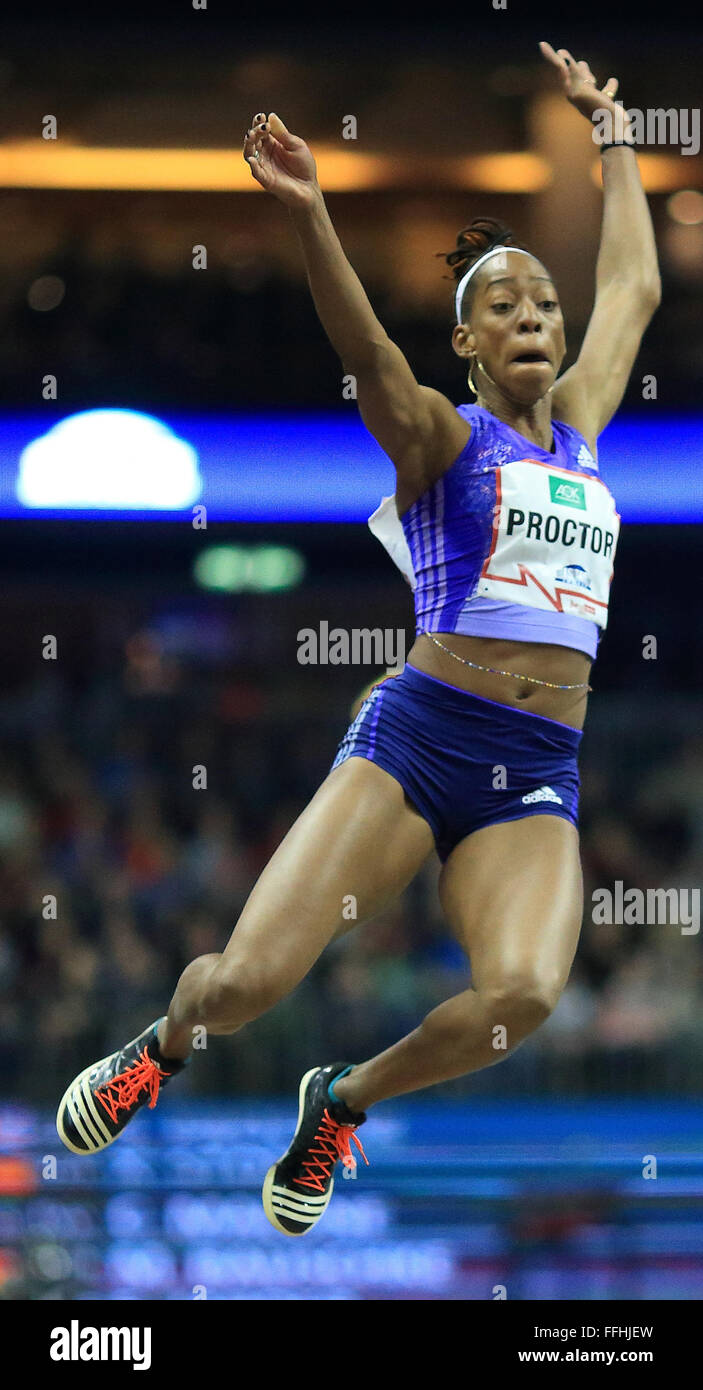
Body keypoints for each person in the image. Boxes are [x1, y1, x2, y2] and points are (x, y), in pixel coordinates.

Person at [56, 42, 660, 1238]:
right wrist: (313, 215)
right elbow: (368, 357)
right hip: (419, 740)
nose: (534, 314)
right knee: (241, 987)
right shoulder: (443, 439)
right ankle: (161, 1046)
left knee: (526, 993)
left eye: (544, 300)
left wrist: (612, 138)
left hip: (533, 772)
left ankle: (339, 1101)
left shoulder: (584, 430)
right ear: (470, 346)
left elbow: (634, 289)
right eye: (503, 305)